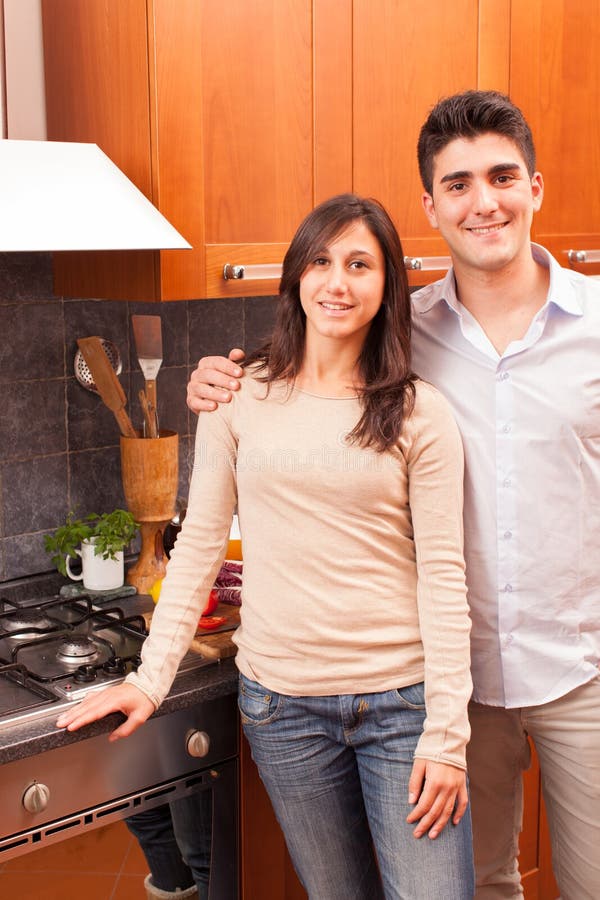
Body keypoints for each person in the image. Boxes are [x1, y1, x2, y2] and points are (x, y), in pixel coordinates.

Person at [186, 90, 600, 900]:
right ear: (432, 207)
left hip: (583, 664)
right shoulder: (396, 334)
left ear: (535, 188)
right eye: (459, 184)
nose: (484, 202)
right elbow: (301, 380)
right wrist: (219, 378)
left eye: (502, 176)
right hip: (455, 683)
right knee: (481, 885)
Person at [56, 193, 475, 900]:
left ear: (387, 284)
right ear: (295, 276)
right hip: (284, 711)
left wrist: (447, 733)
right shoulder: (239, 395)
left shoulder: (418, 411)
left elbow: (443, 576)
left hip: (403, 705)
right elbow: (198, 549)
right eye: (320, 260)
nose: (336, 282)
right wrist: (150, 678)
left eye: (359, 264)